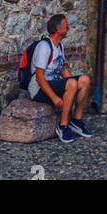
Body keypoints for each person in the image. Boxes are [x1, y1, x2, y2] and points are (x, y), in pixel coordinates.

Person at [28, 13, 93, 144]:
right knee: (72, 83)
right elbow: (40, 78)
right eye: (65, 25)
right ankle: (63, 126)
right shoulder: (44, 47)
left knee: (84, 80)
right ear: (58, 29)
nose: (68, 28)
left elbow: (62, 69)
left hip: (54, 83)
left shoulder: (60, 45)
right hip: (39, 89)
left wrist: (76, 85)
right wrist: (54, 97)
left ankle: (76, 121)